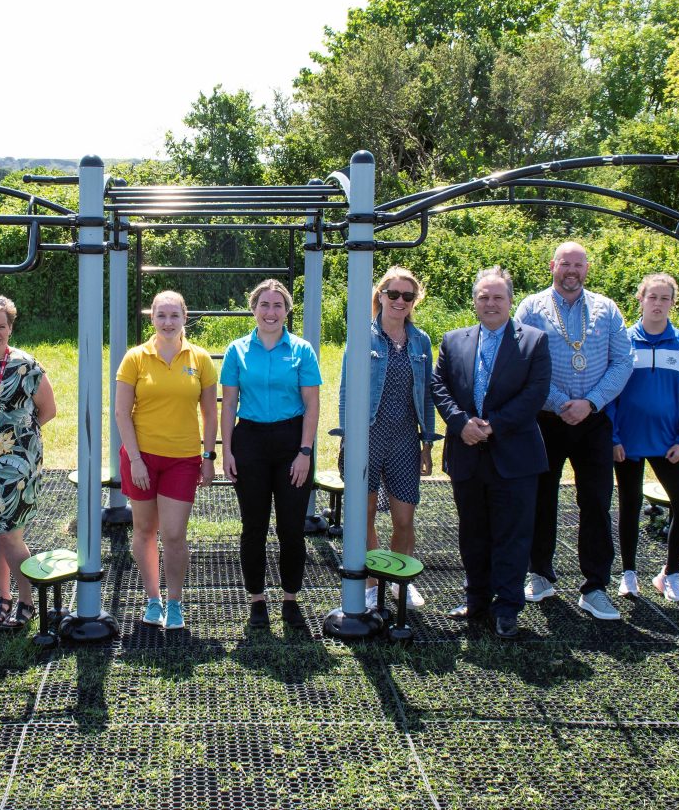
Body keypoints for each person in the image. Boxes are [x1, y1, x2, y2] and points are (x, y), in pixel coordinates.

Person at [515, 241, 632, 621]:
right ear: (552, 266)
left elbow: (623, 362)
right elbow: (522, 361)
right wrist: (561, 402)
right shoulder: (532, 307)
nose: (572, 271)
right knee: (541, 497)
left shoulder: (606, 308)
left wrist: (590, 402)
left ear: (587, 268)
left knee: (597, 502)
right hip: (547, 419)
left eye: (579, 265)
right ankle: (540, 574)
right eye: (565, 263)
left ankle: (595, 586)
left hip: (594, 419)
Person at [431, 267, 551, 638]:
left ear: (511, 300)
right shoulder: (454, 341)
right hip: (466, 453)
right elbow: (440, 386)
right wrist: (461, 423)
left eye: (498, 296)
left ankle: (508, 607)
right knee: (473, 532)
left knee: (512, 534)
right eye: (483, 296)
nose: (490, 303)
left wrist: (493, 425)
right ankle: (477, 599)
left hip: (514, 455)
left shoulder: (533, 341)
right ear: (474, 301)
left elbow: (535, 393)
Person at [220, 278, 322, 631]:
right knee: (254, 527)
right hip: (250, 441)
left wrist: (305, 451)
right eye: (264, 304)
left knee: (291, 527)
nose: (271, 311)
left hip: (292, 440)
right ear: (254, 309)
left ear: (287, 311)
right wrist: (227, 451)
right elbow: (229, 403)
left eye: (277, 305)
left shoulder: (302, 350)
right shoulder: (237, 350)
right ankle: (257, 599)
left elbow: (311, 404)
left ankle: (291, 598)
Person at [114, 290, 218, 631]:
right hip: (141, 457)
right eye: (162, 315)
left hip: (182, 459)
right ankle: (153, 599)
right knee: (144, 529)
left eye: (174, 315)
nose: (168, 322)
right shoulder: (135, 358)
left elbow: (209, 412)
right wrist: (136, 460)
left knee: (174, 534)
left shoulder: (200, 358)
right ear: (152, 318)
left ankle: (175, 602)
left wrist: (207, 456)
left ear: (184, 317)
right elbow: (121, 413)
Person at [337, 266, 438, 610]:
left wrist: (427, 443)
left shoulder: (421, 341)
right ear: (379, 296)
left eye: (407, 296)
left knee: (404, 517)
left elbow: (427, 396)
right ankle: (369, 582)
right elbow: (346, 389)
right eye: (392, 294)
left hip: (405, 438)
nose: (399, 301)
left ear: (414, 301)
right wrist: (348, 437)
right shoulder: (362, 336)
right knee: (363, 514)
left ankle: (400, 581)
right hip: (368, 435)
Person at [609, 272, 679, 605]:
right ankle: (628, 573)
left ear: (673, 303)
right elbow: (611, 393)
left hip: (668, 443)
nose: (659, 304)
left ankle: (670, 574)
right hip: (628, 442)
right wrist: (613, 436)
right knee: (630, 505)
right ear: (640, 299)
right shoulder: (623, 340)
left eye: (666, 298)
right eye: (653, 297)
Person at [0, 295, 56, 631]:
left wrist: (17, 443)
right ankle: (2, 597)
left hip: (17, 464)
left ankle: (27, 601)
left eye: (1, 326)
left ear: (10, 328)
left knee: (11, 534)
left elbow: (48, 410)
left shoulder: (26, 365)